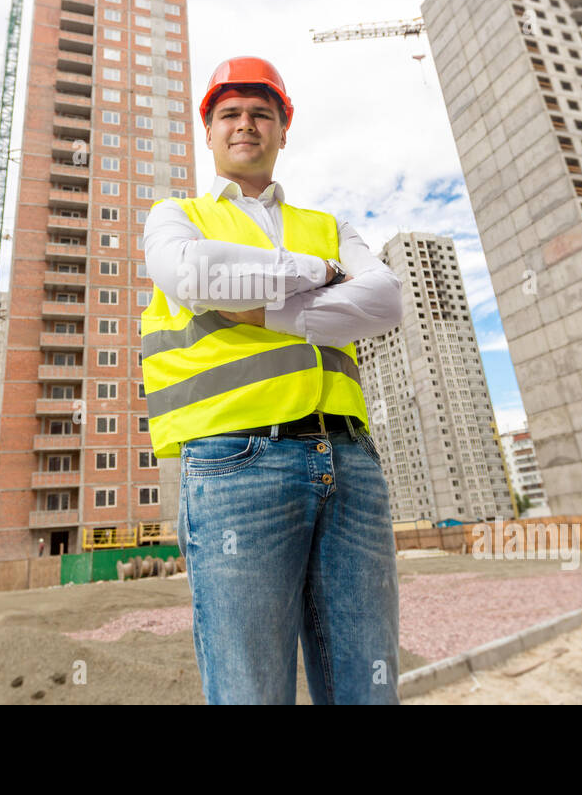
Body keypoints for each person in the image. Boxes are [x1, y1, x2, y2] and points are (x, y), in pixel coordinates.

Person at [140, 56, 404, 704]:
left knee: (367, 685)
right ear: (209, 131)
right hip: (237, 464)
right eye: (230, 113)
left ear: (284, 128)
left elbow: (386, 302)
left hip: (350, 463)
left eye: (262, 113)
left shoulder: (331, 223)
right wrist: (319, 273)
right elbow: (194, 276)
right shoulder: (176, 216)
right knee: (250, 689)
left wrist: (264, 305)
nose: (246, 124)